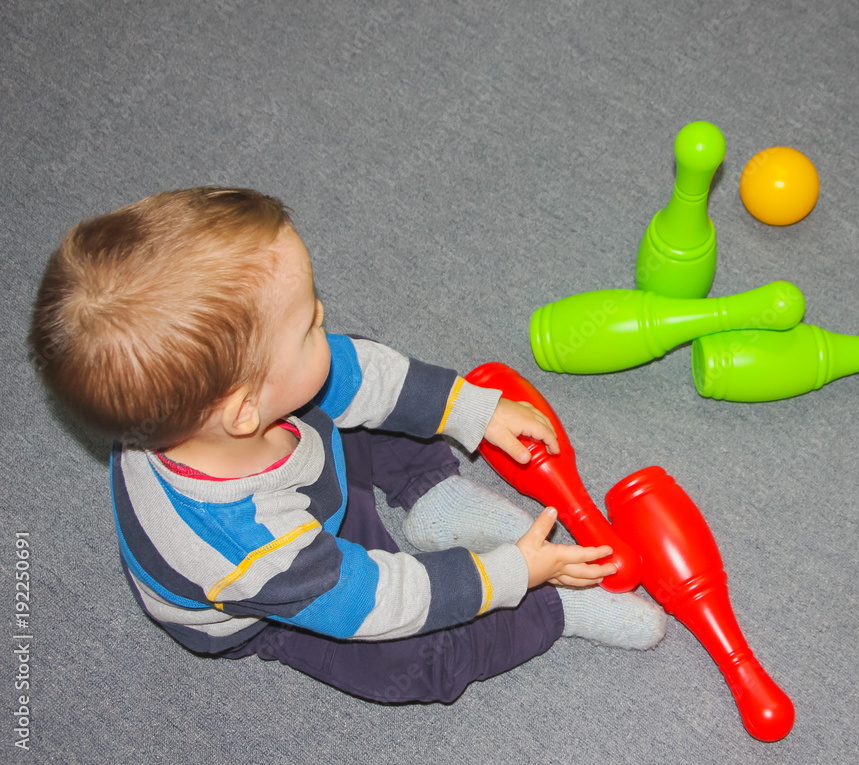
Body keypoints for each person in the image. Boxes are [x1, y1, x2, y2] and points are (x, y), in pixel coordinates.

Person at [29, 187, 666, 703]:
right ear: (244, 409)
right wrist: (514, 575)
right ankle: (554, 611)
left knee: (351, 392)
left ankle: (433, 496)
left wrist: (469, 409)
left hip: (297, 475)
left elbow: (363, 372)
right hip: (281, 600)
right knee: (415, 663)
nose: (325, 316)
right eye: (309, 324)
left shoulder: (226, 409)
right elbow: (385, 599)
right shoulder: (252, 554)